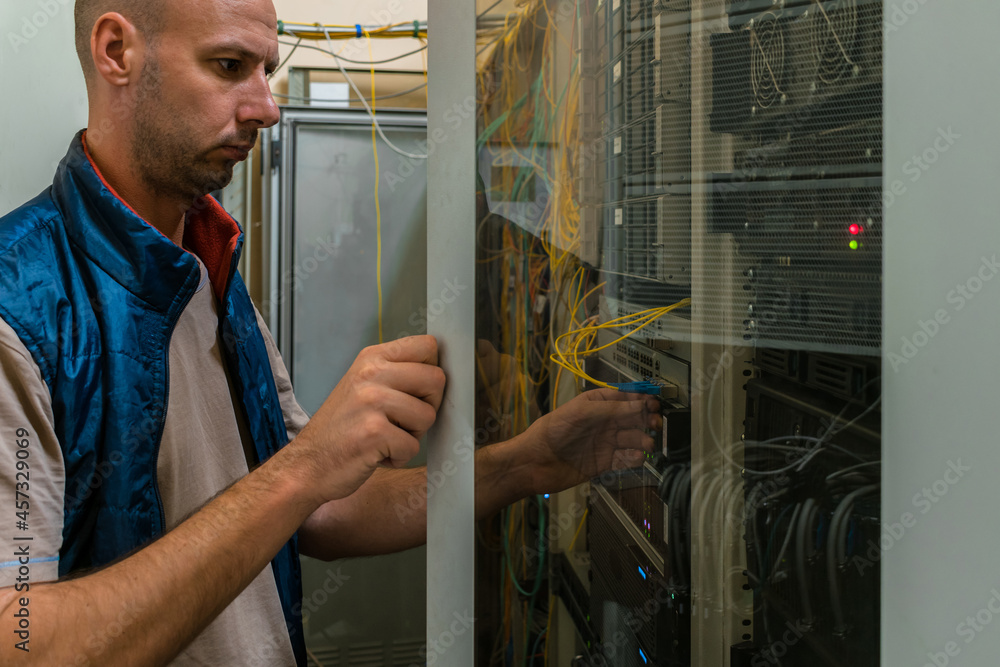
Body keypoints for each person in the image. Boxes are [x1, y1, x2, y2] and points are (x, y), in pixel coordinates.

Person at [0, 0, 661, 664]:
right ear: (116, 51)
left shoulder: (207, 269)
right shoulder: (20, 313)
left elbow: (317, 510)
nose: (267, 106)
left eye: (267, 70)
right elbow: (22, 638)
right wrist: (307, 464)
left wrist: (529, 463)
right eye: (230, 66)